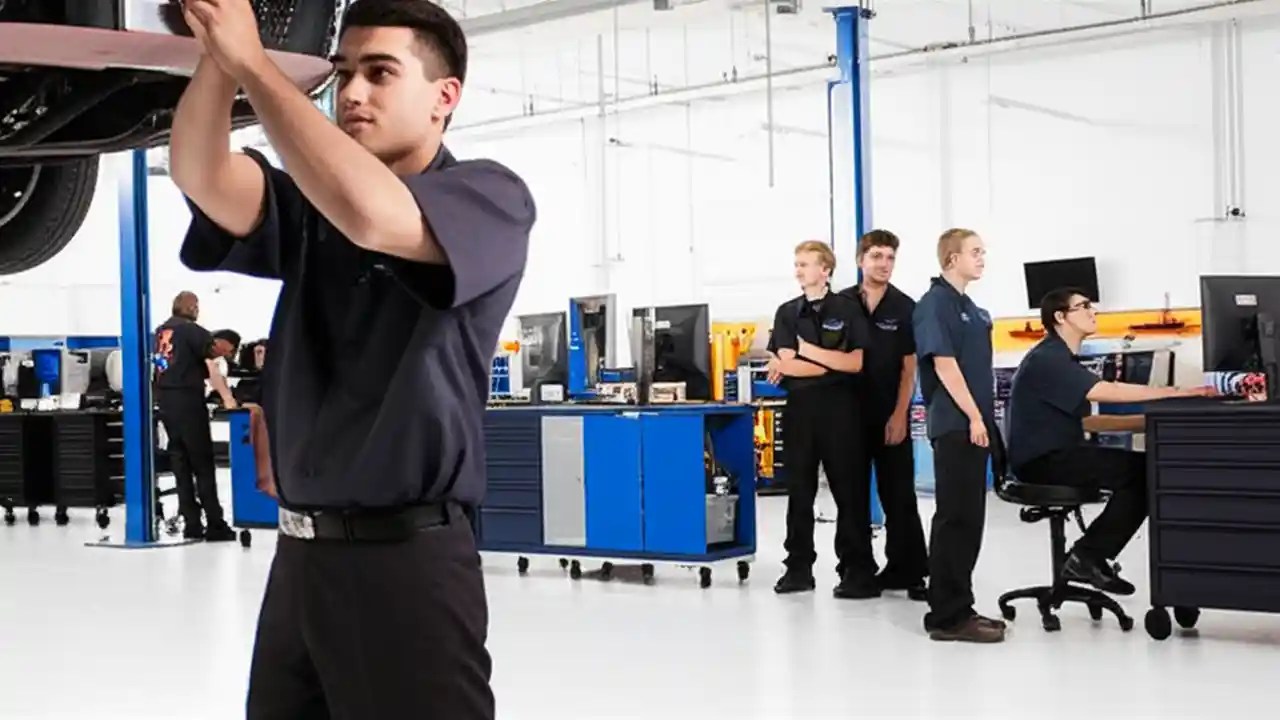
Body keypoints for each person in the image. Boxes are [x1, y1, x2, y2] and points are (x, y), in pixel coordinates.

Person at [169, 1, 535, 718]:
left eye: (380, 73)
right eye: (342, 74)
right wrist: (219, 50)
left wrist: (256, 65)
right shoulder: (314, 208)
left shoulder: (489, 197)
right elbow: (200, 173)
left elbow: (374, 216)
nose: (353, 93)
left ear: (445, 96)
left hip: (406, 562)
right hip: (301, 557)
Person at [1005, 287, 1214, 594]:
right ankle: (1087, 557)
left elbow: (1088, 422)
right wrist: (1178, 393)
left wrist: (1151, 422)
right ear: (1060, 317)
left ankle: (1088, 556)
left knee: (1145, 469)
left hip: (1056, 455)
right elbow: (1107, 391)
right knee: (1145, 472)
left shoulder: (1061, 358)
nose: (1093, 312)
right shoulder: (1048, 359)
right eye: (1083, 306)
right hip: (1043, 462)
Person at [766, 240, 877, 598]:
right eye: (796, 264)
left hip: (842, 410)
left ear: (825, 269)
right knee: (799, 491)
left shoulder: (848, 309)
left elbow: (855, 363)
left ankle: (857, 570)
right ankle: (798, 568)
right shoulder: (787, 313)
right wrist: (829, 362)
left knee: (849, 491)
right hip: (800, 410)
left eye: (805, 264)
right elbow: (787, 363)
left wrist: (807, 353)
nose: (798, 270)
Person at [913, 228, 1005, 643]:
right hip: (956, 423)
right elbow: (945, 366)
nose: (982, 258)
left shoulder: (972, 308)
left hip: (974, 422)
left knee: (971, 519)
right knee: (954, 518)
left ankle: (960, 606)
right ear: (952, 258)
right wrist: (974, 416)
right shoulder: (935, 304)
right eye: (975, 252)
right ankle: (947, 616)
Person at [838, 230, 929, 601]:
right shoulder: (840, 304)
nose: (884, 264)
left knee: (899, 494)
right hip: (846, 416)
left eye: (890, 257)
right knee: (851, 497)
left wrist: (900, 415)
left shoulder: (905, 307)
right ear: (861, 259)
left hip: (889, 413)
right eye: (877, 256)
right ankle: (856, 571)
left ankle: (908, 570)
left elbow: (909, 368)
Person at [154, 291, 238, 542]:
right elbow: (213, 359)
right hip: (188, 402)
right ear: (191, 308)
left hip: (166, 402)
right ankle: (215, 523)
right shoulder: (192, 330)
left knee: (180, 462)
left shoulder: (160, 332)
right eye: (196, 306)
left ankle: (191, 523)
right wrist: (224, 351)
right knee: (202, 463)